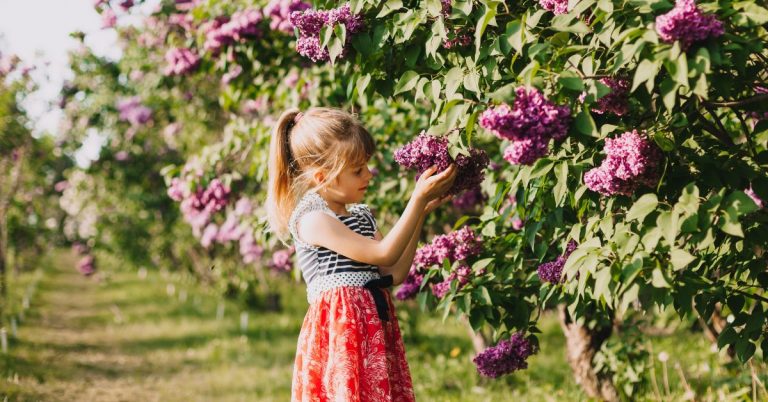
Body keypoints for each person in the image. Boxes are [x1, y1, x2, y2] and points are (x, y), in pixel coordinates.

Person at [266, 107, 457, 401]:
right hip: (342, 333)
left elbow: (393, 272)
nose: (368, 174)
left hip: (372, 330)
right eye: (357, 170)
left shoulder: (361, 216)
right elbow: (382, 252)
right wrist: (415, 200)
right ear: (322, 176)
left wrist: (420, 214)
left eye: (366, 165)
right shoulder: (313, 219)